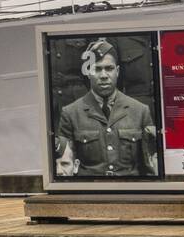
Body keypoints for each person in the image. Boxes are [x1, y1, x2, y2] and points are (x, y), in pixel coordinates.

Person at [55, 39, 158, 178]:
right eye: (97, 69)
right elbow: (65, 164)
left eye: (109, 68)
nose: (103, 75)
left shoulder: (140, 111)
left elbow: (149, 168)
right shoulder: (71, 113)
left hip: (130, 192)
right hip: (89, 193)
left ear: (118, 71)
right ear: (88, 72)